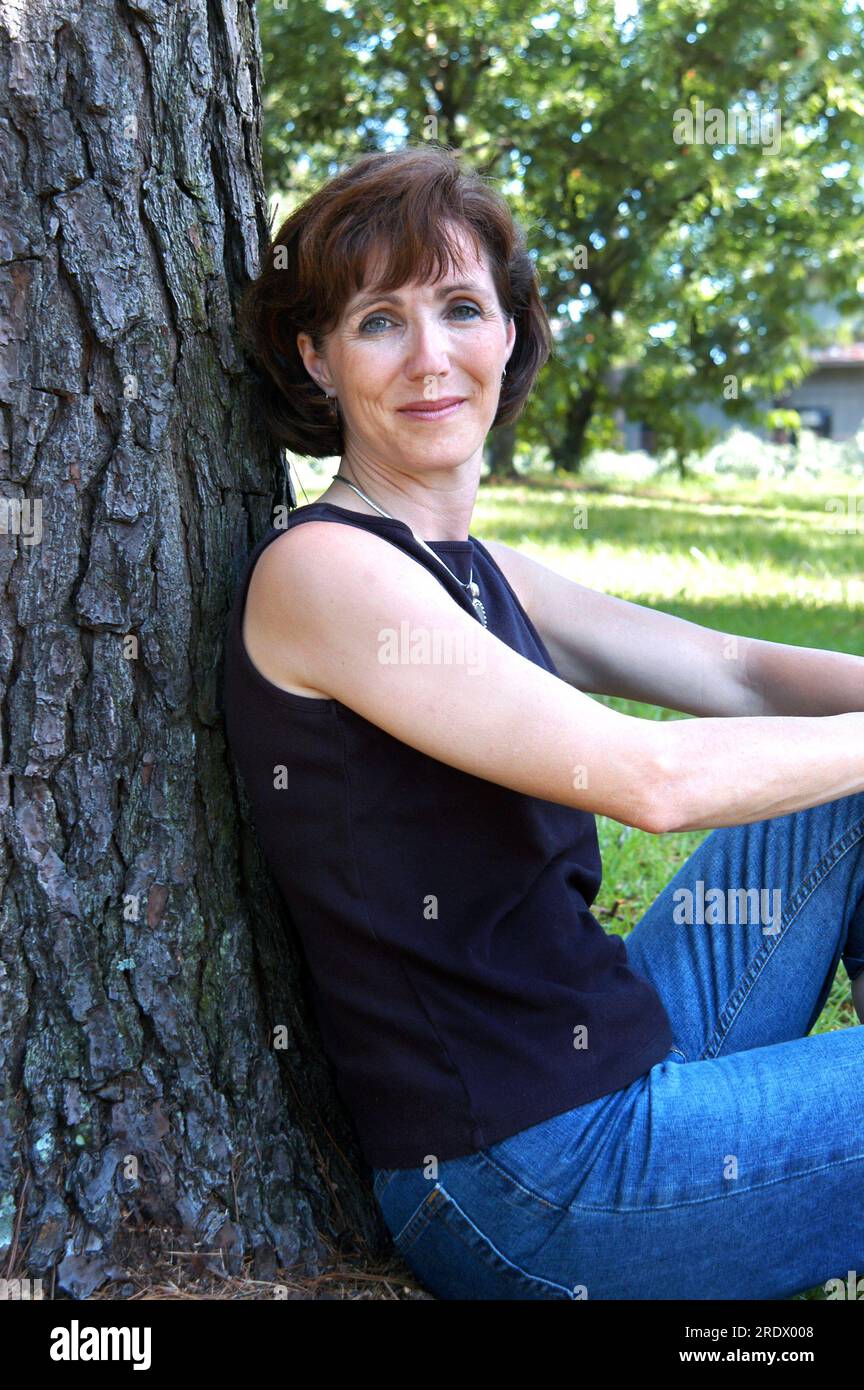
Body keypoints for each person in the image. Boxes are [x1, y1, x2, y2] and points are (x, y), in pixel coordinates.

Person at [221, 144, 864, 1300]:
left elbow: (742, 674)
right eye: (380, 322)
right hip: (527, 1176)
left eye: (463, 308)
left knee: (846, 787)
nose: (431, 358)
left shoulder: (464, 566)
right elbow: (650, 779)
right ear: (315, 357)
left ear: (509, 332)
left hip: (616, 1052)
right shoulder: (326, 574)